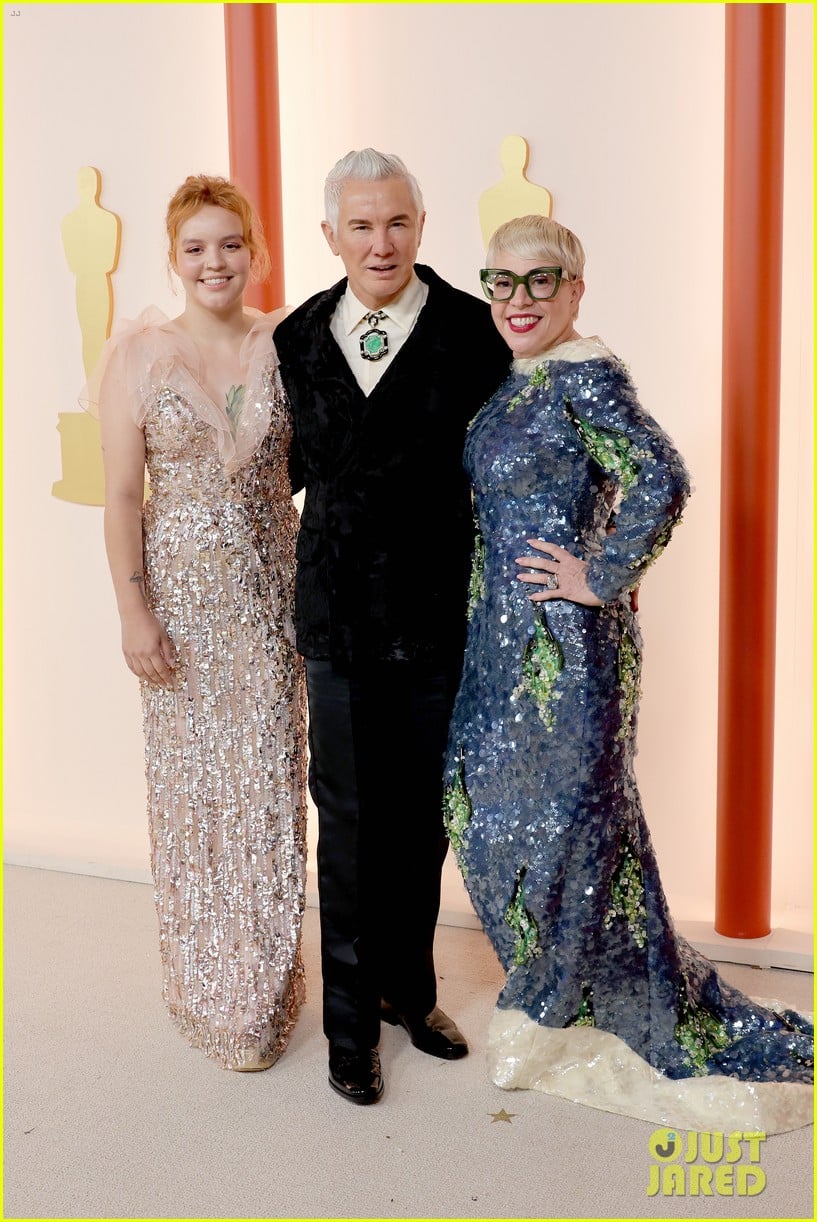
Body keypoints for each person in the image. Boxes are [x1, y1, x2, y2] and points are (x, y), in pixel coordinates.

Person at [443, 214, 812, 1131]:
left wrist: (600, 577)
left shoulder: (588, 375)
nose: (518, 300)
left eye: (539, 281)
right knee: (482, 814)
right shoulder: (516, 379)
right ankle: (554, 992)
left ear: (575, 288)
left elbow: (662, 475)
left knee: (572, 833)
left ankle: (560, 1012)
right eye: (501, 280)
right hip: (496, 648)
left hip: (566, 656)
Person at [274, 149, 509, 1104]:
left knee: (421, 825)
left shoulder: (473, 329)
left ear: (422, 226)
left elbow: (504, 470)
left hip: (438, 617)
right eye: (362, 225)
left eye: (398, 222)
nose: (382, 242)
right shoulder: (293, 337)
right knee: (349, 825)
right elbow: (271, 471)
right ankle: (345, 1029)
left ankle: (409, 994)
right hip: (333, 621)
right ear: (330, 235)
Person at [87, 176, 307, 1071]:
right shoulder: (139, 352)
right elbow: (120, 495)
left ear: (253, 251)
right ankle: (207, 985)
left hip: (272, 601)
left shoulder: (288, 343)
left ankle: (262, 992)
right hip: (179, 609)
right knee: (194, 799)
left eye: (229, 244)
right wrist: (132, 609)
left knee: (263, 793)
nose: (214, 262)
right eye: (195, 248)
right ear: (173, 259)